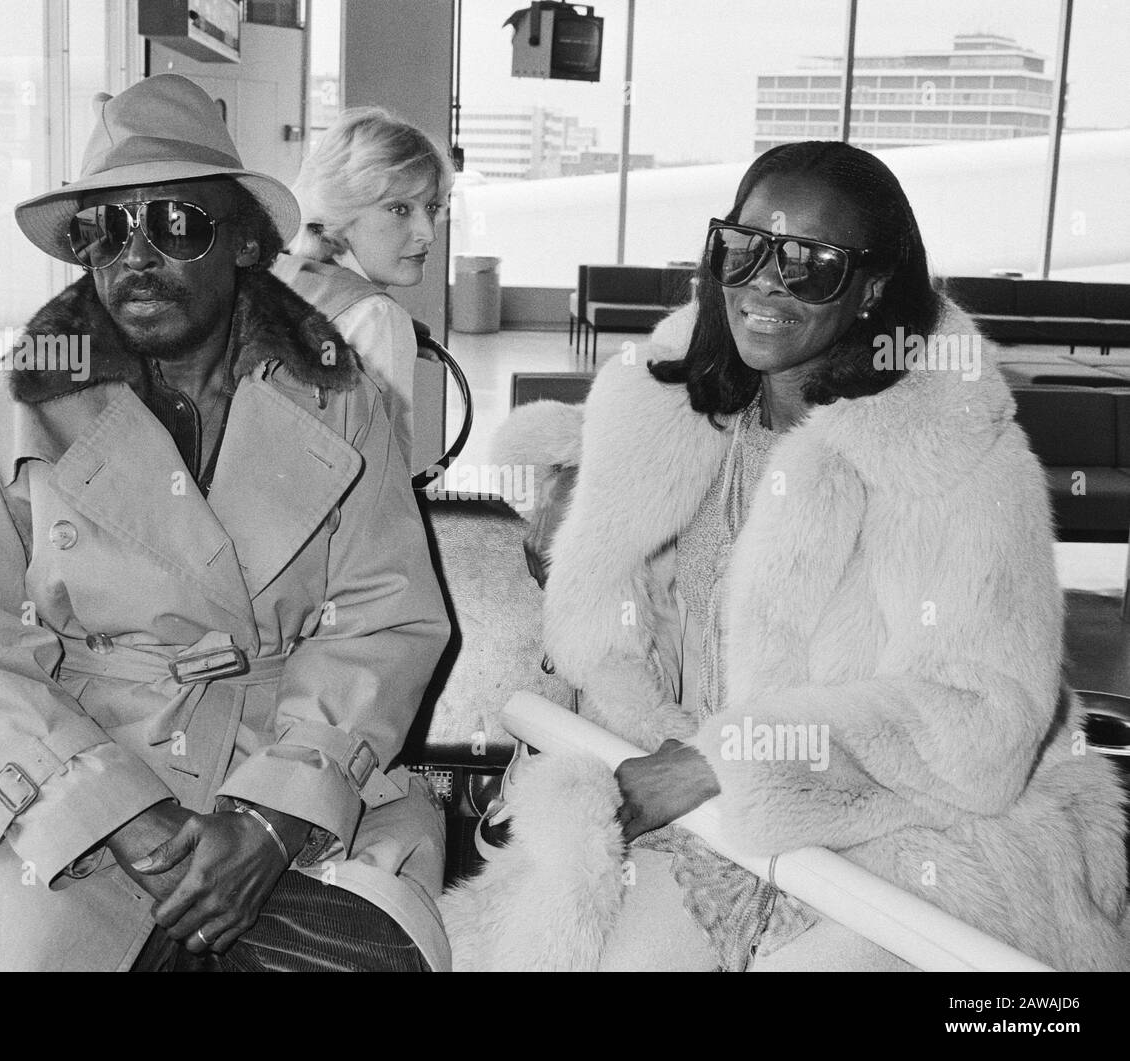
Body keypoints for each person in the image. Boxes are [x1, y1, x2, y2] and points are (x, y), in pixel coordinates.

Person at [463, 140, 1129, 971]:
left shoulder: (954, 460)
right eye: (743, 248)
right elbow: (632, 638)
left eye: (813, 264)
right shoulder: (672, 415)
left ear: (874, 286)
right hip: (696, 820)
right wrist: (583, 505)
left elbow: (981, 725)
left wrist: (726, 760)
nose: (766, 283)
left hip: (906, 832)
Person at [0, 74, 453, 972]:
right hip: (72, 769)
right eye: (105, 230)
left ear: (246, 244)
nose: (135, 255)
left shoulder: (341, 404)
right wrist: (122, 814)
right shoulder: (10, 410)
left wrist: (268, 816)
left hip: (285, 768)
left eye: (175, 224)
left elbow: (386, 619)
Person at [272, 107, 453, 471]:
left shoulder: (282, 273)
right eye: (399, 209)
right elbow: (387, 478)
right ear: (342, 209)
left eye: (431, 207)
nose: (428, 233)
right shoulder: (376, 317)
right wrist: (386, 328)